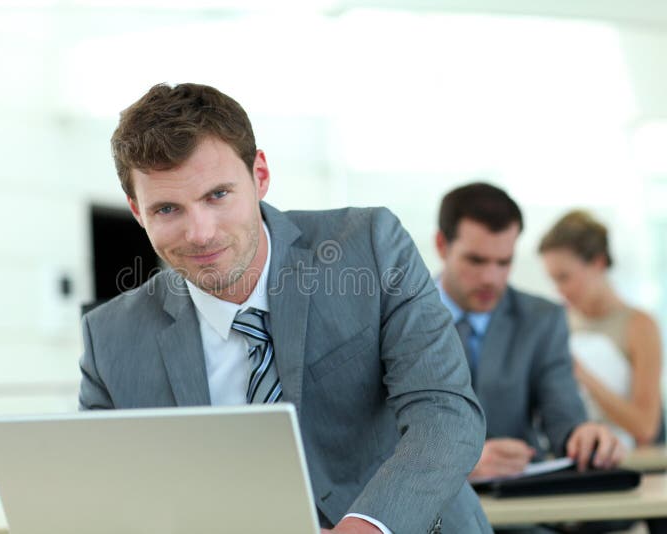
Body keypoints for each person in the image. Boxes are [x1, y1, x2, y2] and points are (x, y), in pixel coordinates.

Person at [78, 83, 492, 533]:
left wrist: (368, 526)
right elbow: (110, 495)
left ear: (259, 176)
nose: (200, 233)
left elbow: (445, 413)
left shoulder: (370, 248)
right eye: (167, 209)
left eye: (217, 195)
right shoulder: (110, 337)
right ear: (138, 212)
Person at [434, 183, 624, 483]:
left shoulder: (542, 319)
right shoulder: (400, 319)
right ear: (442, 246)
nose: (490, 278)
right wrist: (455, 462)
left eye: (504, 262)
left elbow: (563, 415)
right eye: (476, 260)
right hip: (427, 514)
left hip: (521, 506)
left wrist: (583, 436)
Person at [539, 210, 664, 447]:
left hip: (629, 459)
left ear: (598, 262)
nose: (559, 290)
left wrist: (580, 373)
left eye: (564, 277)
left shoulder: (640, 326)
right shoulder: (558, 321)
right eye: (553, 280)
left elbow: (647, 428)